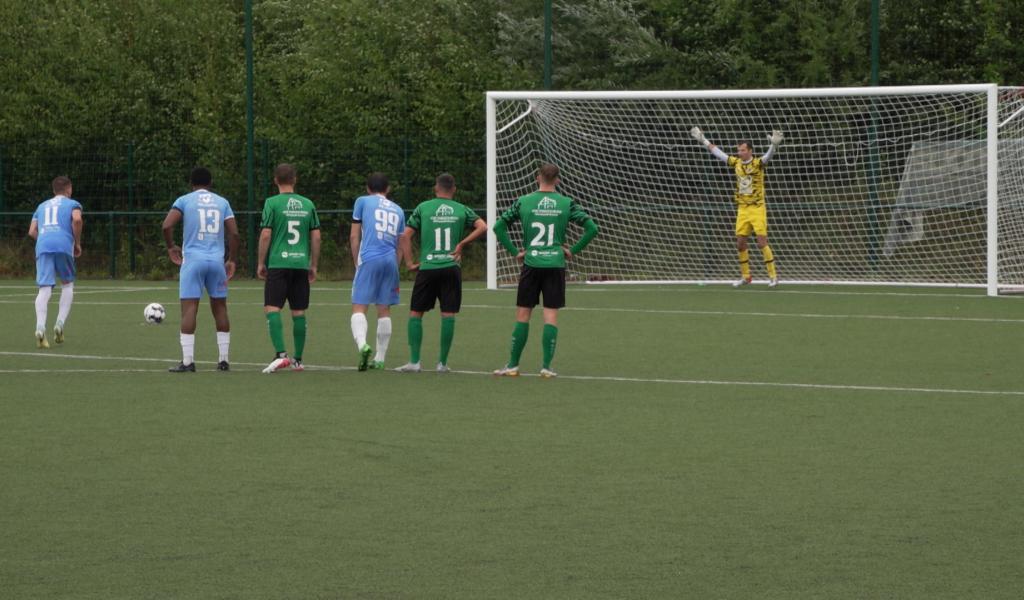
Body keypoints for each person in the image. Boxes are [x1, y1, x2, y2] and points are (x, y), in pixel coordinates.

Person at [492, 163, 599, 378]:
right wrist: (572, 251)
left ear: (537, 178)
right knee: (550, 315)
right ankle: (547, 368)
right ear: (558, 180)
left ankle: (512, 366)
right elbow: (592, 228)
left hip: (531, 264)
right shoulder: (566, 203)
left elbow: (498, 227)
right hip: (555, 265)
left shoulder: (523, 201)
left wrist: (515, 251)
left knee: (523, 314)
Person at [394, 173, 488, 373]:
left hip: (428, 268)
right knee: (448, 314)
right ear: (454, 189)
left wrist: (410, 262)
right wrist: (462, 244)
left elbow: (405, 236)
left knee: (416, 313)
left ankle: (414, 362)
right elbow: (483, 226)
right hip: (451, 267)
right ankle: (442, 364)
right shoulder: (462, 209)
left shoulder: (423, 207)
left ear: (436, 188)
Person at [161, 167, 239, 372]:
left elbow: (167, 226)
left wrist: (171, 247)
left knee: (189, 309)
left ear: (191, 183)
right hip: (216, 261)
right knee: (220, 308)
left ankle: (188, 362)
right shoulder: (222, 202)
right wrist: (231, 259)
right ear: (211, 183)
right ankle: (223, 361)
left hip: (193, 261)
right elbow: (234, 234)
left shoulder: (184, 200)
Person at [691, 126, 783, 287]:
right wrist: (703, 140)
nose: (739, 153)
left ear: (749, 151)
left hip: (757, 208)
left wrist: (774, 145)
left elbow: (768, 157)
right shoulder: (736, 163)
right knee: (740, 243)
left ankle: (773, 276)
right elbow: (719, 153)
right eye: (738, 150)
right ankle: (746, 276)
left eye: (742, 150)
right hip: (742, 209)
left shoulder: (758, 163)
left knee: (762, 242)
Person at [257, 163, 321, 374]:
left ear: (275, 180)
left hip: (279, 262)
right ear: (295, 180)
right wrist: (313, 264)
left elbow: (266, 234)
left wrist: (260, 262)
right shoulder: (308, 204)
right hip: (300, 264)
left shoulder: (272, 203)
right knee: (298, 311)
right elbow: (316, 236)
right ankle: (298, 361)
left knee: (272, 308)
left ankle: (281, 355)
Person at [350, 172, 405, 371]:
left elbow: (354, 236)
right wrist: (396, 265)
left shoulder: (362, 201)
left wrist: (357, 261)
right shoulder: (398, 209)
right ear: (388, 189)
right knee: (384, 309)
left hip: (369, 258)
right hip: (390, 260)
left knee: (359, 307)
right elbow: (401, 243)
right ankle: (380, 358)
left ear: (367, 188)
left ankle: (363, 345)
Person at [28, 176, 83, 348]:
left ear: (53, 190)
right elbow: (77, 219)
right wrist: (77, 242)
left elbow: (32, 231)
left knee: (44, 289)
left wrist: (44, 240)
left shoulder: (41, 206)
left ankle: (39, 327)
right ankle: (59, 324)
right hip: (63, 245)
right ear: (69, 189)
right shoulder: (73, 203)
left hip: (43, 245)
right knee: (67, 285)